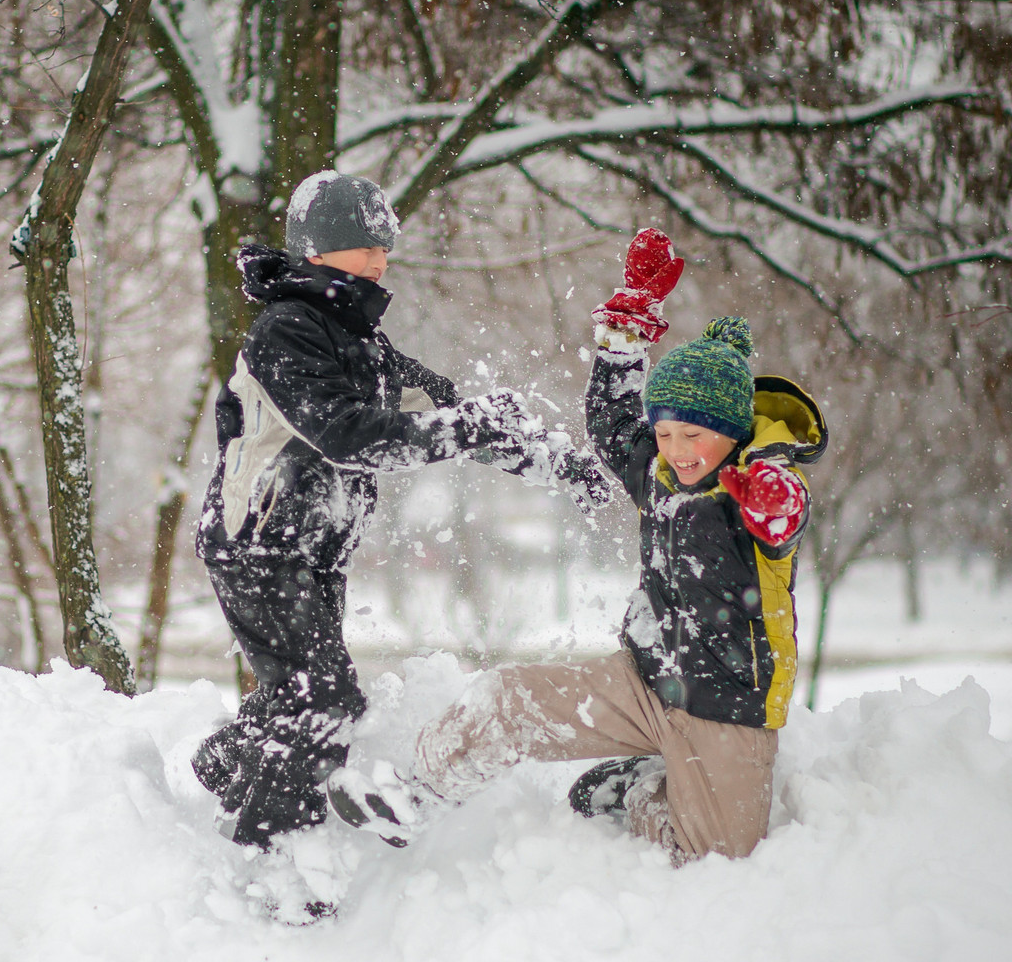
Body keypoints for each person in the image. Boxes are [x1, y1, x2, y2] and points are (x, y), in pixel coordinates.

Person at [327, 227, 828, 864]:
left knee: (715, 862)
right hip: (647, 681)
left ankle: (641, 789)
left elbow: (785, 517)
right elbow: (613, 421)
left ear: (732, 432)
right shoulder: (661, 474)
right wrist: (626, 330)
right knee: (506, 702)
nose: (677, 449)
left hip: (726, 709)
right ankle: (415, 794)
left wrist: (770, 498)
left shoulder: (758, 485)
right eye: (667, 432)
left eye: (694, 434)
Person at [191, 171, 613, 859]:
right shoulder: (286, 332)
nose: (382, 261)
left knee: (292, 696)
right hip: (257, 540)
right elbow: (350, 436)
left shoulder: (361, 341)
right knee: (325, 701)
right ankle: (272, 861)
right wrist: (465, 427)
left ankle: (224, 767)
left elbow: (444, 414)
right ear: (321, 249)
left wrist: (550, 458)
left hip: (309, 547)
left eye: (386, 246)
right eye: (366, 246)